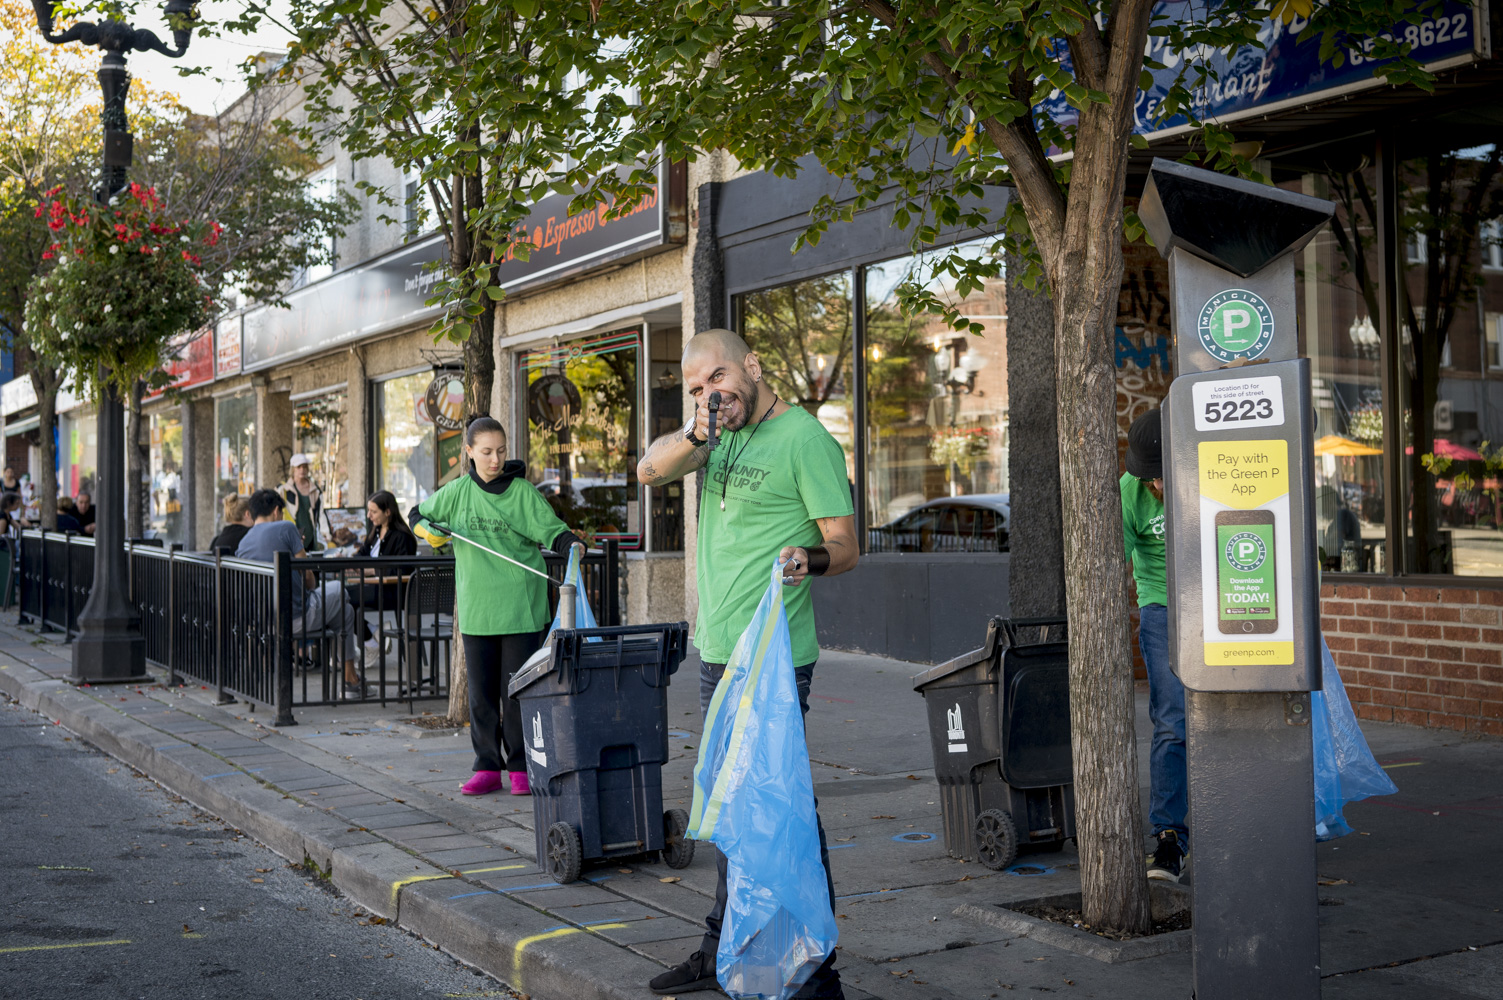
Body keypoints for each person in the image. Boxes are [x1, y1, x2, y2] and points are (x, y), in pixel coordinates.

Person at [635, 329, 859, 999]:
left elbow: (846, 546)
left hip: (772, 659)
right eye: (697, 388)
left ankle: (817, 968)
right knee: (739, 803)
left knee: (777, 803)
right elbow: (649, 470)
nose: (711, 395)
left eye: (719, 380)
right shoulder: (716, 436)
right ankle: (722, 943)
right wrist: (700, 431)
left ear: (753, 366)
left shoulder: (805, 440)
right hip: (719, 651)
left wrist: (805, 560)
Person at [410, 416, 582, 798]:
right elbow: (417, 516)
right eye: (486, 452)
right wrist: (431, 531)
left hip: (521, 609)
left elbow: (553, 530)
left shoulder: (522, 493)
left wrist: (571, 544)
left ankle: (522, 766)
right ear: (468, 452)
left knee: (517, 693)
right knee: (481, 696)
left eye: (501, 451)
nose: (494, 460)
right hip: (477, 610)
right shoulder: (455, 493)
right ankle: (487, 765)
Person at [1121, 408, 1189, 883]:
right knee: (1171, 721)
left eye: (1166, 476)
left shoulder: (1213, 474)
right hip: (1161, 609)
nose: (1159, 488)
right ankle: (1169, 838)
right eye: (1152, 478)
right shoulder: (1128, 492)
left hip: (1218, 605)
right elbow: (1112, 564)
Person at [236, 488, 370, 699]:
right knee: (340, 591)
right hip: (296, 617)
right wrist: (311, 588)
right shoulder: (285, 527)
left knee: (345, 612)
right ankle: (350, 680)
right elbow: (308, 574)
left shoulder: (243, 543)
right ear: (277, 511)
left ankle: (350, 679)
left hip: (263, 622)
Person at [279, 453, 324, 552]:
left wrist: (325, 534)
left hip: (311, 538)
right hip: (291, 537)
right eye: (299, 467)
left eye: (304, 467)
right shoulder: (284, 490)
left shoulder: (315, 490)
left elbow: (321, 515)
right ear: (293, 469)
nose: (302, 470)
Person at [358, 491, 418, 559]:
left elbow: (402, 568)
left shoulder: (403, 537)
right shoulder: (375, 530)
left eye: (374, 512)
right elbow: (363, 552)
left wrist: (371, 570)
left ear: (387, 512)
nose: (368, 515)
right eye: (368, 510)